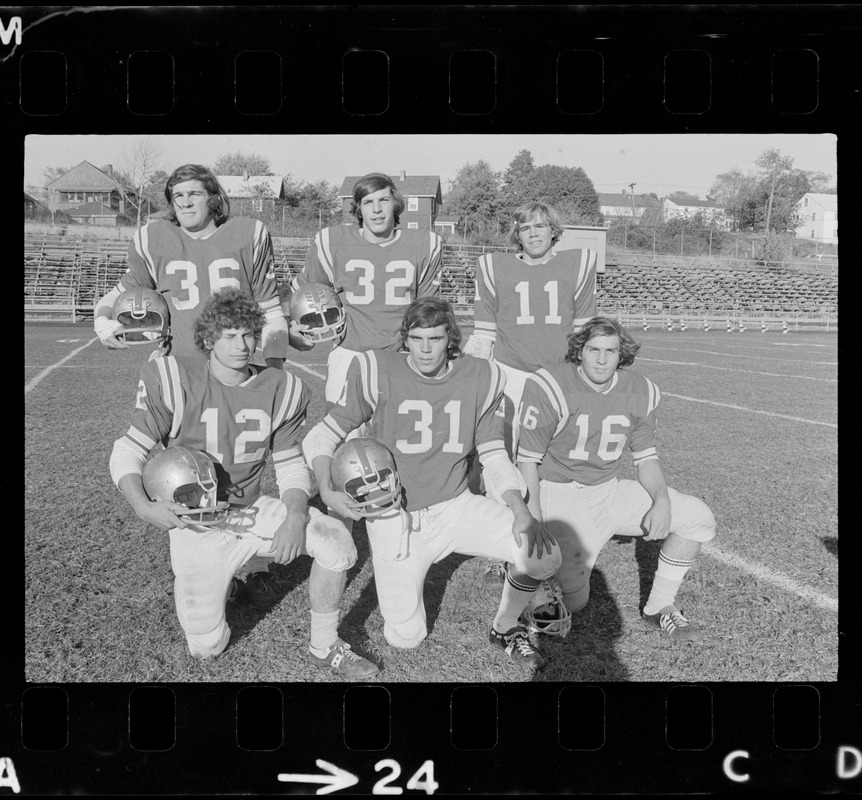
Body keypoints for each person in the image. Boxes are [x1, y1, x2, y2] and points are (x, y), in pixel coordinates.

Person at [108, 288, 378, 677]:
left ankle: (325, 645)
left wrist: (295, 515)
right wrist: (142, 504)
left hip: (249, 510)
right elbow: (128, 449)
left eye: (248, 334)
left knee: (336, 542)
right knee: (207, 648)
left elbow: (289, 464)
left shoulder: (282, 388)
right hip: (196, 523)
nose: (242, 345)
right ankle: (227, 584)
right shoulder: (173, 377)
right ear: (207, 339)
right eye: (229, 335)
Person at [302, 297, 563, 671]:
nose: (425, 349)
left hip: (455, 505)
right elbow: (321, 436)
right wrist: (327, 489)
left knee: (544, 555)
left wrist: (520, 510)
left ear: (450, 339)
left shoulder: (481, 376)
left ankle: (505, 628)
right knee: (405, 638)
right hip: (394, 515)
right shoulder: (377, 369)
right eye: (417, 338)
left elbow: (493, 454)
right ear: (405, 338)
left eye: (436, 339)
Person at [516, 316, 716, 641]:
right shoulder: (551, 384)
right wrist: (534, 520)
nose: (601, 358)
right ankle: (528, 574)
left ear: (621, 353)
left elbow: (646, 457)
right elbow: (527, 462)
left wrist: (661, 501)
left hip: (607, 492)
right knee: (574, 603)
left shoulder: (641, 391)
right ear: (579, 351)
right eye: (593, 349)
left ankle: (659, 607)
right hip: (560, 495)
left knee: (698, 518)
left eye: (610, 350)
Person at [463, 201, 599, 584]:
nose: (534, 233)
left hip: (558, 377)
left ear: (554, 230)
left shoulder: (578, 263)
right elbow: (484, 332)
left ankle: (552, 530)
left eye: (541, 226)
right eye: (526, 227)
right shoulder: (494, 266)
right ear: (516, 234)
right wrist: (476, 375)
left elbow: (585, 328)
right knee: (500, 458)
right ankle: (500, 545)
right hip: (511, 375)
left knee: (549, 458)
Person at [93, 164, 290, 367]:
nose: (185, 203)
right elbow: (117, 296)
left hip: (234, 369)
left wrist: (275, 370)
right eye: (178, 195)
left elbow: (270, 310)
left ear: (213, 199)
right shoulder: (152, 239)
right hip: (175, 367)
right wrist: (102, 325)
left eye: (194, 194)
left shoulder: (248, 234)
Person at [291, 172, 443, 407]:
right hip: (349, 352)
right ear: (359, 209)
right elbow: (300, 291)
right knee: (344, 438)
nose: (377, 209)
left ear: (396, 204)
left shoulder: (424, 245)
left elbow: (429, 309)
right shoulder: (333, 242)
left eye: (384, 200)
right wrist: (292, 327)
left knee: (396, 437)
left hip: (401, 354)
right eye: (368, 202)